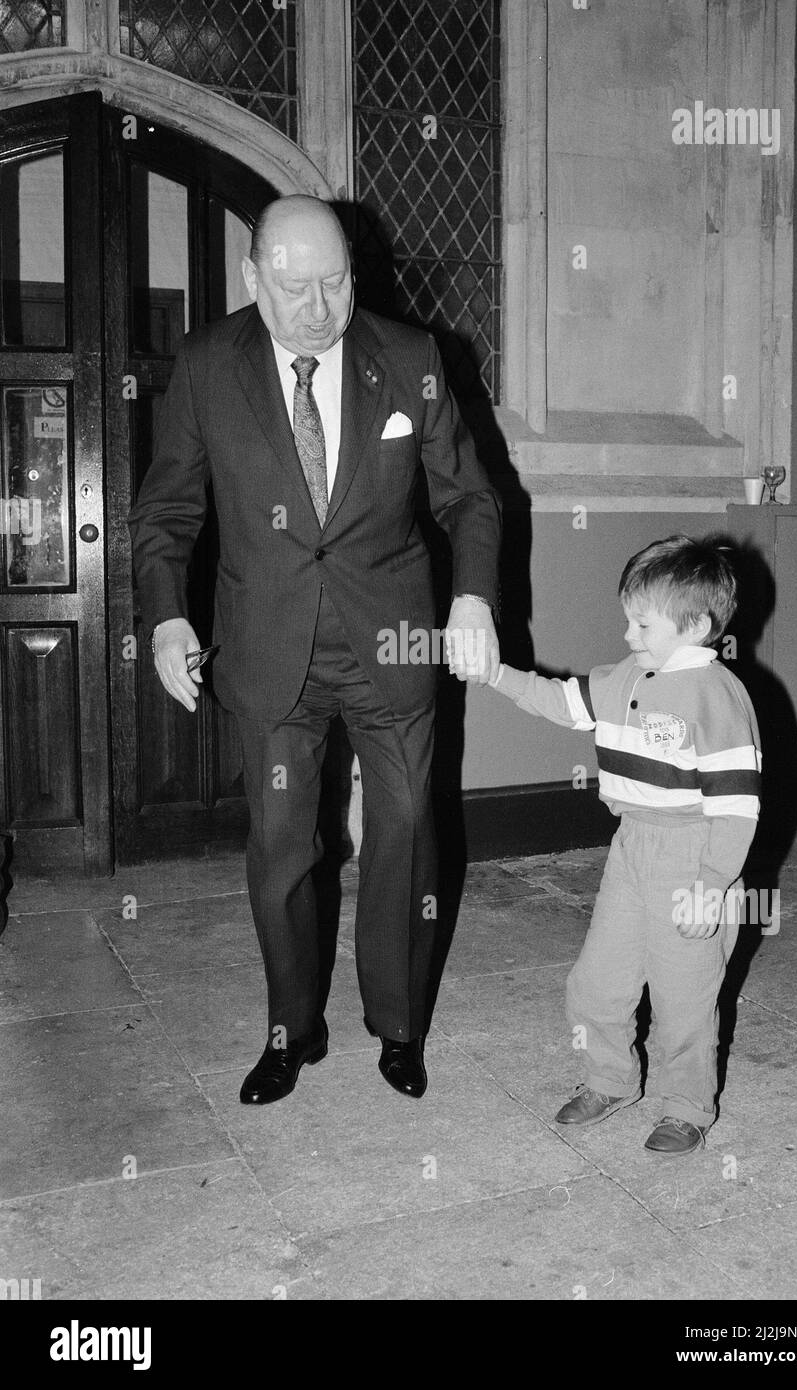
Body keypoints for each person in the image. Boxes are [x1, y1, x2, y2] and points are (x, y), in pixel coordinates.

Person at [129, 196, 500, 1105]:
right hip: (268, 649)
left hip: (394, 642)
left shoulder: (409, 359)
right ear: (254, 278)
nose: (317, 307)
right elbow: (166, 511)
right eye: (293, 286)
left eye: (334, 282)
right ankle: (292, 1030)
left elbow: (470, 500)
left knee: (407, 833)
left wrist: (473, 599)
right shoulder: (208, 365)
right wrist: (167, 617)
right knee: (282, 851)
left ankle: (399, 1024)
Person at [488, 536, 761, 1155]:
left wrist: (712, 885)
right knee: (595, 982)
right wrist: (495, 674)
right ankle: (608, 1079)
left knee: (683, 997)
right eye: (627, 618)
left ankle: (686, 1105)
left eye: (643, 622)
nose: (629, 632)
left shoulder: (717, 697)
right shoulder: (623, 678)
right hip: (631, 848)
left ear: (695, 627)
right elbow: (557, 701)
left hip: (694, 858)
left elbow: (737, 804)